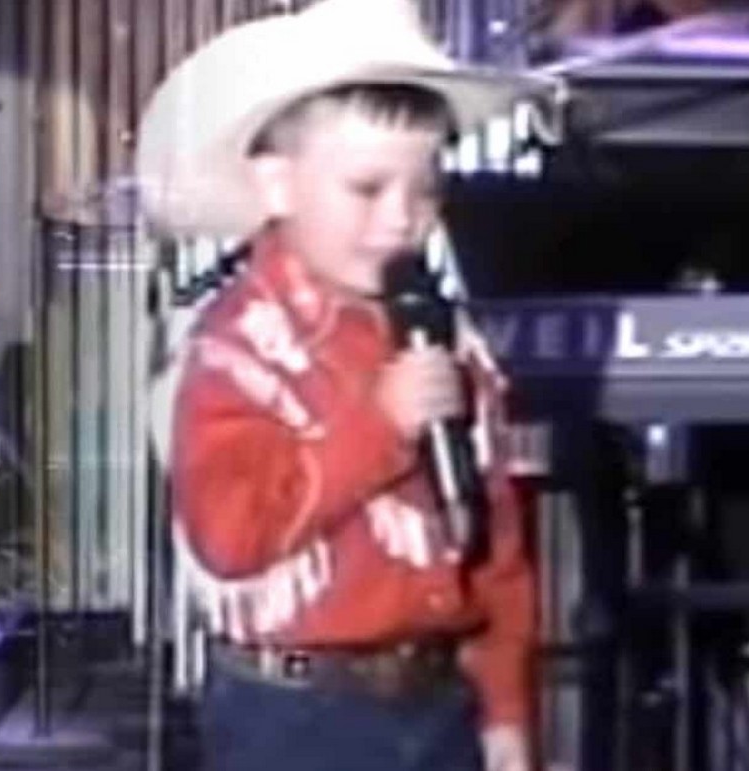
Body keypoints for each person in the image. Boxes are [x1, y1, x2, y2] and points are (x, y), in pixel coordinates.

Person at [135, 1, 548, 769]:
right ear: (279, 183)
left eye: (424, 191)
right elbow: (230, 533)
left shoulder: (445, 338)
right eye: (367, 188)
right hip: (298, 717)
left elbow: (498, 541)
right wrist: (382, 423)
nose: (401, 219)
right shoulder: (238, 347)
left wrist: (508, 714)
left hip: (439, 697)